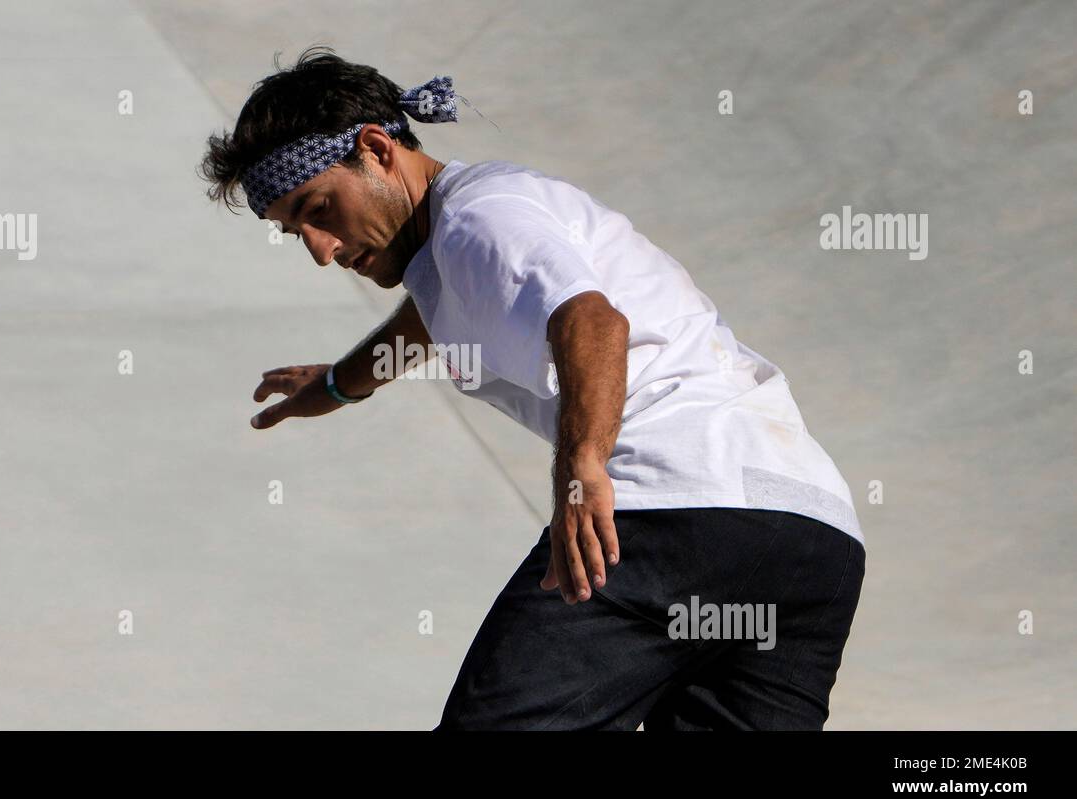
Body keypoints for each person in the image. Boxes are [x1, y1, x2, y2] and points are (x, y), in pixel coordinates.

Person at [199, 46, 866, 730]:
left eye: (318, 209)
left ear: (376, 149)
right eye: (292, 231)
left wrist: (582, 469)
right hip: (811, 533)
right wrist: (339, 384)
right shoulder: (461, 243)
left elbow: (592, 319)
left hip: (674, 509)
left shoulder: (478, 220)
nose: (318, 248)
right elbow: (431, 317)